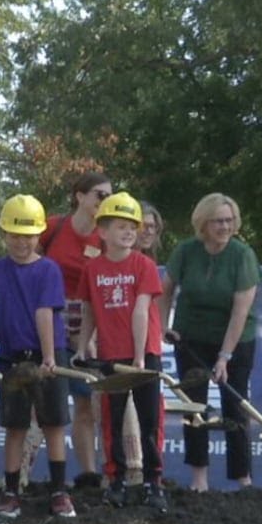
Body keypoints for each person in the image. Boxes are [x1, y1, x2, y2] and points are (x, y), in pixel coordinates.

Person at [159, 193, 262, 491]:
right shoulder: (186, 251)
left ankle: (243, 480)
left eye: (229, 220)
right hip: (190, 338)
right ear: (203, 223)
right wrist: (164, 326)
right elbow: (165, 290)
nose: (225, 226)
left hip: (235, 340)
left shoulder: (243, 255)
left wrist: (225, 357)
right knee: (195, 407)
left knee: (235, 406)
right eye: (218, 220)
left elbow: (240, 310)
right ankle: (199, 479)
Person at [0, 194, 75, 521]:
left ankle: (60, 492)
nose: (22, 241)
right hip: (10, 359)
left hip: (46, 356)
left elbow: (44, 313)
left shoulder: (48, 270)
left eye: (29, 234)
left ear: (39, 235)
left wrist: (49, 357)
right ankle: (10, 493)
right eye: (15, 234)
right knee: (15, 426)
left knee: (53, 424)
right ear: (3, 233)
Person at [75, 193, 167, 511]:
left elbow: (141, 311)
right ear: (102, 232)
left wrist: (140, 356)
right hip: (111, 356)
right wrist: (85, 342)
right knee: (113, 420)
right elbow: (88, 308)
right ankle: (114, 481)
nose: (129, 232)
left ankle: (153, 482)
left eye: (133, 227)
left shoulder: (145, 265)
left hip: (145, 353)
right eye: (120, 226)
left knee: (149, 420)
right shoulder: (93, 268)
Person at [38, 172, 112, 488]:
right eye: (99, 195)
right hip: (48, 316)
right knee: (39, 400)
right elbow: (31, 267)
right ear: (79, 196)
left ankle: (89, 475)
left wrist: (90, 335)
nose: (104, 202)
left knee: (85, 402)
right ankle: (20, 478)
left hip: (86, 321)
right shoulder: (52, 227)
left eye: (110, 196)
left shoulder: (106, 236)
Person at [120, 201, 167, 481]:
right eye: (143, 225)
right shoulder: (116, 263)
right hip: (120, 347)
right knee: (120, 415)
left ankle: (150, 475)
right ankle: (125, 473)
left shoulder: (149, 264)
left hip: (149, 345)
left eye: (153, 226)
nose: (148, 231)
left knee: (151, 413)